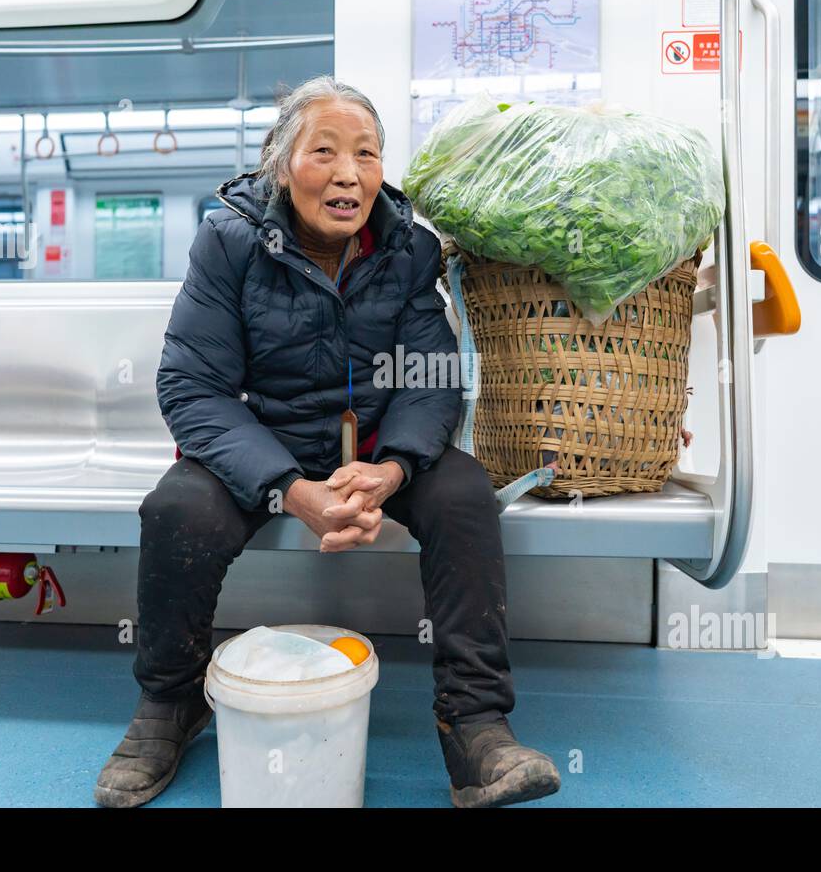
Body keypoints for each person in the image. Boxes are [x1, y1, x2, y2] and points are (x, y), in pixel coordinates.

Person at [94, 75, 560, 809]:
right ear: (283, 165)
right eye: (326, 152)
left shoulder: (409, 249)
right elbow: (194, 389)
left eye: (367, 155)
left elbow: (431, 377)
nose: (350, 173)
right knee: (178, 508)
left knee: (464, 493)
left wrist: (394, 470)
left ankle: (475, 726)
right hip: (260, 443)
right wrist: (288, 487)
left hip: (374, 446)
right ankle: (169, 705)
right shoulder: (228, 241)